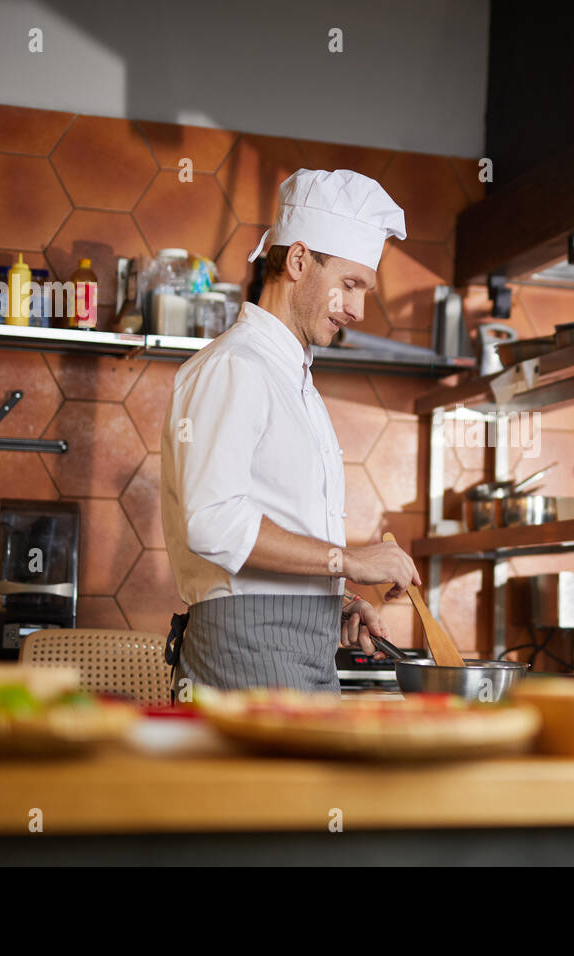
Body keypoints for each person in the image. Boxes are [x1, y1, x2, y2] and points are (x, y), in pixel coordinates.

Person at [160, 168, 420, 695]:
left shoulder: (293, 381)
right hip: (246, 655)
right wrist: (351, 560)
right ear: (299, 261)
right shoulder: (235, 366)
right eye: (349, 285)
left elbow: (275, 528)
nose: (356, 309)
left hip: (301, 653)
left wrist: (336, 601)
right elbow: (212, 522)